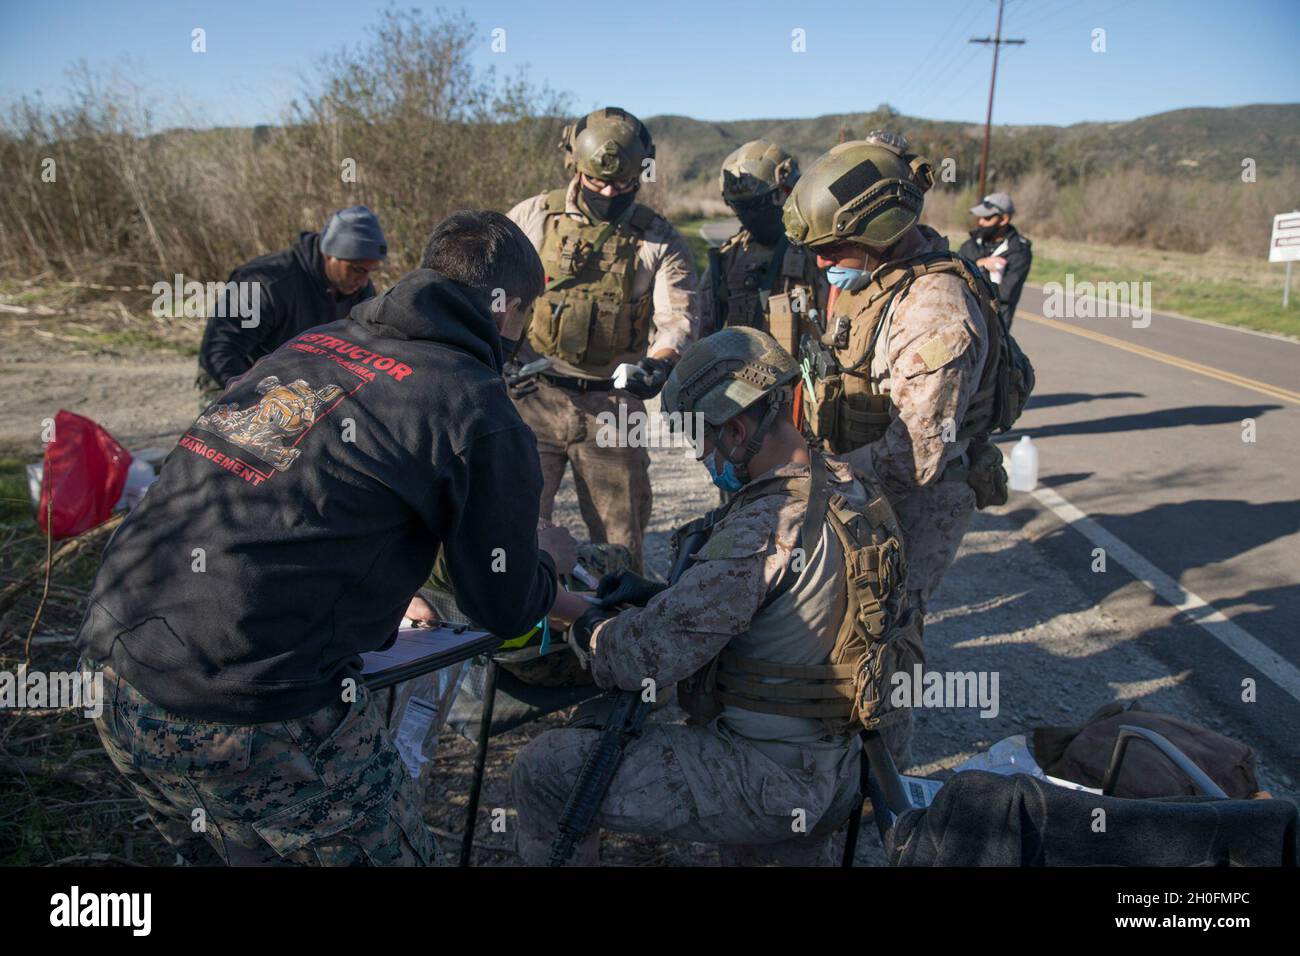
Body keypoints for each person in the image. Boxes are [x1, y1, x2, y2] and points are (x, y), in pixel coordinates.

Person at [77, 210, 581, 866]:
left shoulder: (312, 347)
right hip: (250, 711)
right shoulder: (474, 403)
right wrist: (547, 560)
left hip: (115, 671)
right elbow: (504, 606)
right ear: (509, 308)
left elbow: (288, 504)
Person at [510, 328, 914, 866]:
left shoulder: (762, 530)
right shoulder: (849, 487)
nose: (701, 457)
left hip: (774, 781)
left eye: (700, 440)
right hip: (848, 762)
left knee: (547, 770)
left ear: (738, 429)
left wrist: (562, 605)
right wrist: (654, 595)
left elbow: (641, 661)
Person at [783, 131, 1005, 764]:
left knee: (886, 630)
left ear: (881, 228)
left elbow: (914, 456)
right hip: (862, 479)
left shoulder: (936, 308)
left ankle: (883, 781)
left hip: (917, 496)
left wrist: (805, 475)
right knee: (839, 620)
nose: (825, 264)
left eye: (834, 249)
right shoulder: (881, 273)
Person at [505, 106, 699, 571]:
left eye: (624, 183)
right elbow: (493, 292)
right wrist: (497, 349)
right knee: (514, 526)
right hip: (534, 396)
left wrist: (662, 360)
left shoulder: (657, 238)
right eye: (598, 182)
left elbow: (679, 316)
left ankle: (617, 633)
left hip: (612, 407)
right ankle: (521, 630)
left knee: (621, 540)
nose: (610, 192)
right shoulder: (534, 217)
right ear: (575, 166)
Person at [195, 205, 388, 407]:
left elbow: (363, 349)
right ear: (329, 254)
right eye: (357, 269)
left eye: (370, 271)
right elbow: (221, 352)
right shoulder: (263, 283)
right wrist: (258, 400)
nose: (364, 280)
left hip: (299, 381)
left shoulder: (359, 289)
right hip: (238, 374)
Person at [700, 140, 828, 353]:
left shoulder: (822, 252)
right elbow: (702, 330)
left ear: (786, 193)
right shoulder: (728, 258)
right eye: (740, 207)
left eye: (759, 204)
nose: (751, 215)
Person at [959, 191, 1032, 327]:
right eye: (979, 217)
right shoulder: (970, 245)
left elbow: (1005, 293)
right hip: (964, 321)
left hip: (996, 329)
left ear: (1004, 219)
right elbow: (955, 277)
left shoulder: (1019, 251)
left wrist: (975, 271)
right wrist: (980, 265)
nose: (980, 222)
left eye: (987, 218)